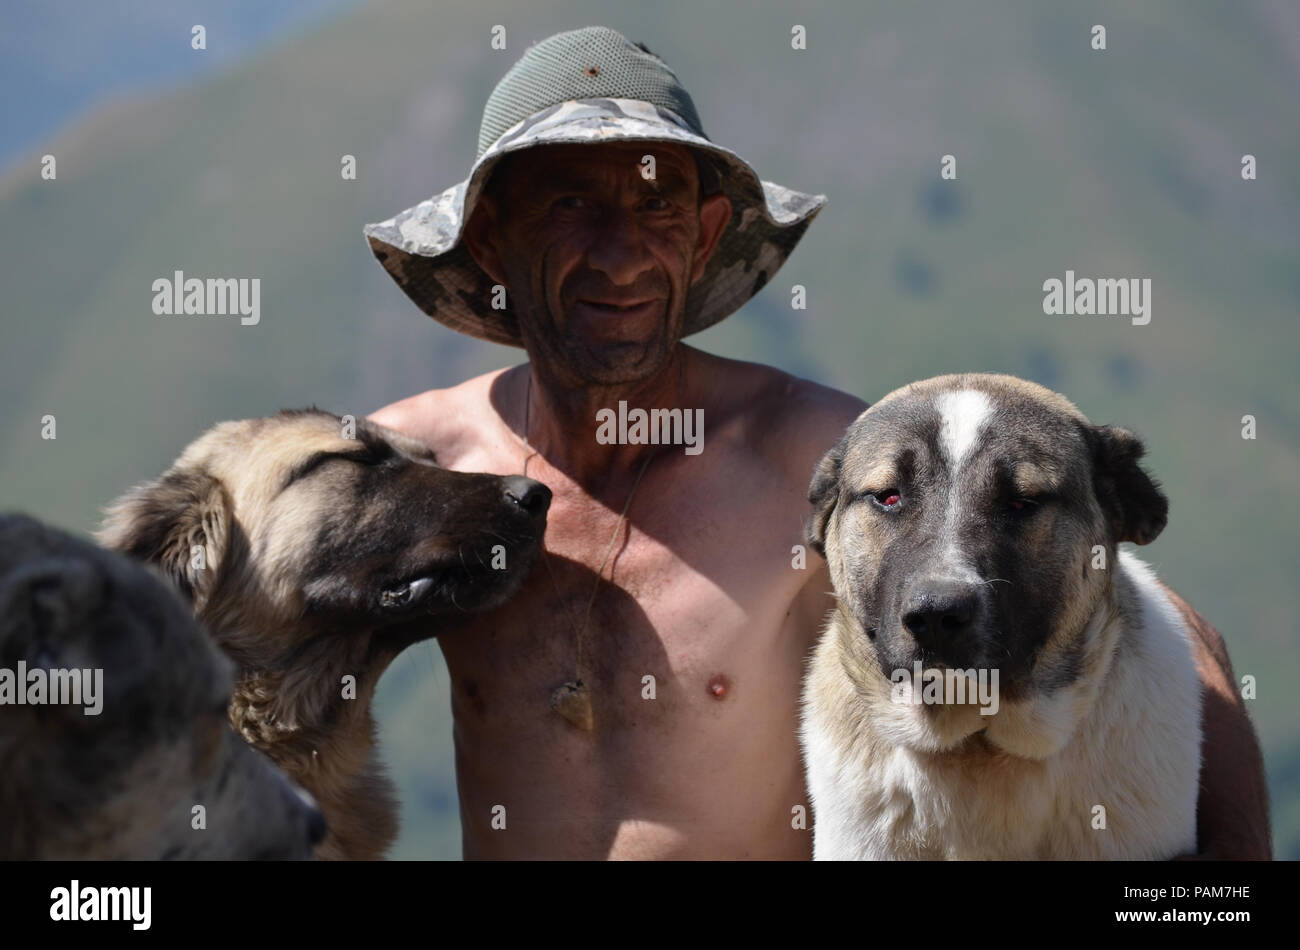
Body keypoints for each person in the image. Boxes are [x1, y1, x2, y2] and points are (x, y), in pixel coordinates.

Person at [365, 27, 1270, 859]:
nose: (620, 254)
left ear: (706, 234)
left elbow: (1127, 603)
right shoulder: (417, 471)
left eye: (658, 209)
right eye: (570, 206)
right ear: (489, 239)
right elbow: (250, 650)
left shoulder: (826, 455)